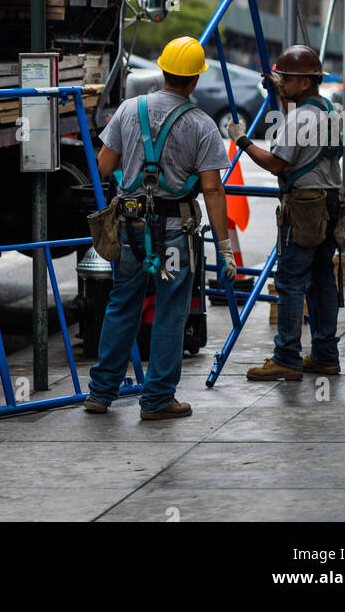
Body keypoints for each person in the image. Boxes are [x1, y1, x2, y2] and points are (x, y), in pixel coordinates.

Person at [85, 36, 235, 420]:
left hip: (130, 226)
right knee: (170, 311)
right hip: (174, 233)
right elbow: (213, 189)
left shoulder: (128, 110)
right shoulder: (201, 125)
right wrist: (224, 248)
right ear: (195, 80)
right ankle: (155, 401)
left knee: (122, 306)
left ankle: (101, 393)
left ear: (164, 71)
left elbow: (103, 166)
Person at [229, 44, 342, 381]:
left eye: (288, 79)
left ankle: (286, 358)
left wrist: (243, 142)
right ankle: (325, 355)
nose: (283, 83)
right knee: (322, 280)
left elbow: (277, 163)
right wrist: (282, 95)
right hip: (330, 203)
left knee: (290, 282)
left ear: (306, 82)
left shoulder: (299, 118)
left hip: (305, 207)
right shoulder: (328, 109)